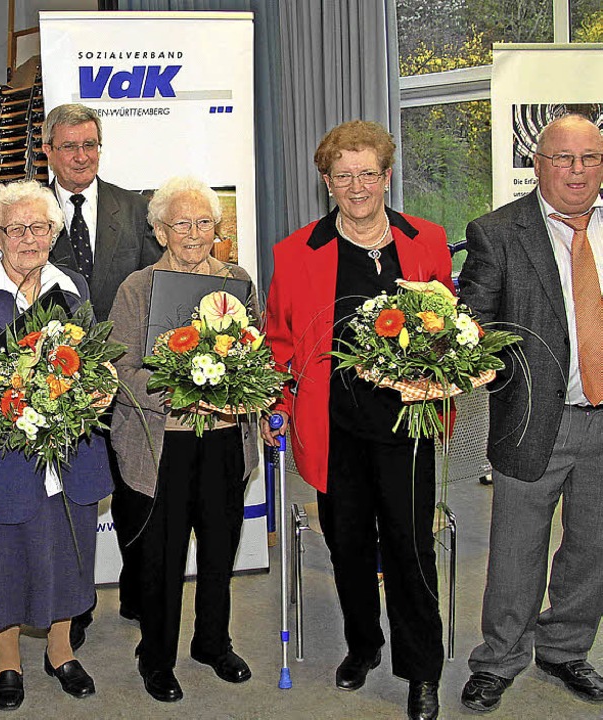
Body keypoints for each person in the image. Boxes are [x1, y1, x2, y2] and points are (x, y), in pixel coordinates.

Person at [261, 121, 451, 720]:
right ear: (327, 182)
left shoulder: (427, 241)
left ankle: (422, 671)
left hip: (407, 427)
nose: (358, 186)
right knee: (347, 547)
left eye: (369, 173)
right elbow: (279, 341)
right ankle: (363, 644)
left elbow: (449, 326)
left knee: (410, 550)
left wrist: (444, 367)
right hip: (333, 427)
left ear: (387, 177)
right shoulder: (296, 252)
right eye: (343, 176)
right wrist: (277, 403)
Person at [0, 179, 112, 711]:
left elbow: (87, 357)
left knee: (68, 552)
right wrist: (25, 399)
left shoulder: (73, 284)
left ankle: (60, 651)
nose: (29, 239)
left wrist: (92, 386)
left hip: (69, 453)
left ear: (54, 232)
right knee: (0, 560)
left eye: (40, 227)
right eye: (16, 228)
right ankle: (7, 658)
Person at [459, 113, 603, 713]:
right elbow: (474, 318)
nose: (577, 170)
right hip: (535, 417)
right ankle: (499, 658)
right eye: (563, 158)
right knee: (518, 550)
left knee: (593, 546)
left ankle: (566, 647)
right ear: (539, 163)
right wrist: (474, 352)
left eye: (589, 157)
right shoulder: (498, 231)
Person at [108, 175, 260, 703]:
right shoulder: (137, 288)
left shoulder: (238, 281)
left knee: (220, 548)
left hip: (223, 440)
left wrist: (244, 389)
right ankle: (157, 656)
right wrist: (180, 395)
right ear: (159, 230)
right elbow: (120, 368)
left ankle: (213, 643)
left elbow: (254, 357)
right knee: (162, 558)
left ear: (217, 228)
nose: (193, 233)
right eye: (180, 223)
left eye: (203, 223)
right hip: (161, 443)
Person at [43, 102, 162, 645]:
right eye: (69, 146)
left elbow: (155, 289)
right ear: (46, 150)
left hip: (129, 380)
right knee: (72, 499)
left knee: (138, 489)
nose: (81, 155)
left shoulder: (133, 207)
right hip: (59, 382)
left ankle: (139, 594)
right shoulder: (28, 208)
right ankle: (75, 606)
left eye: (90, 144)